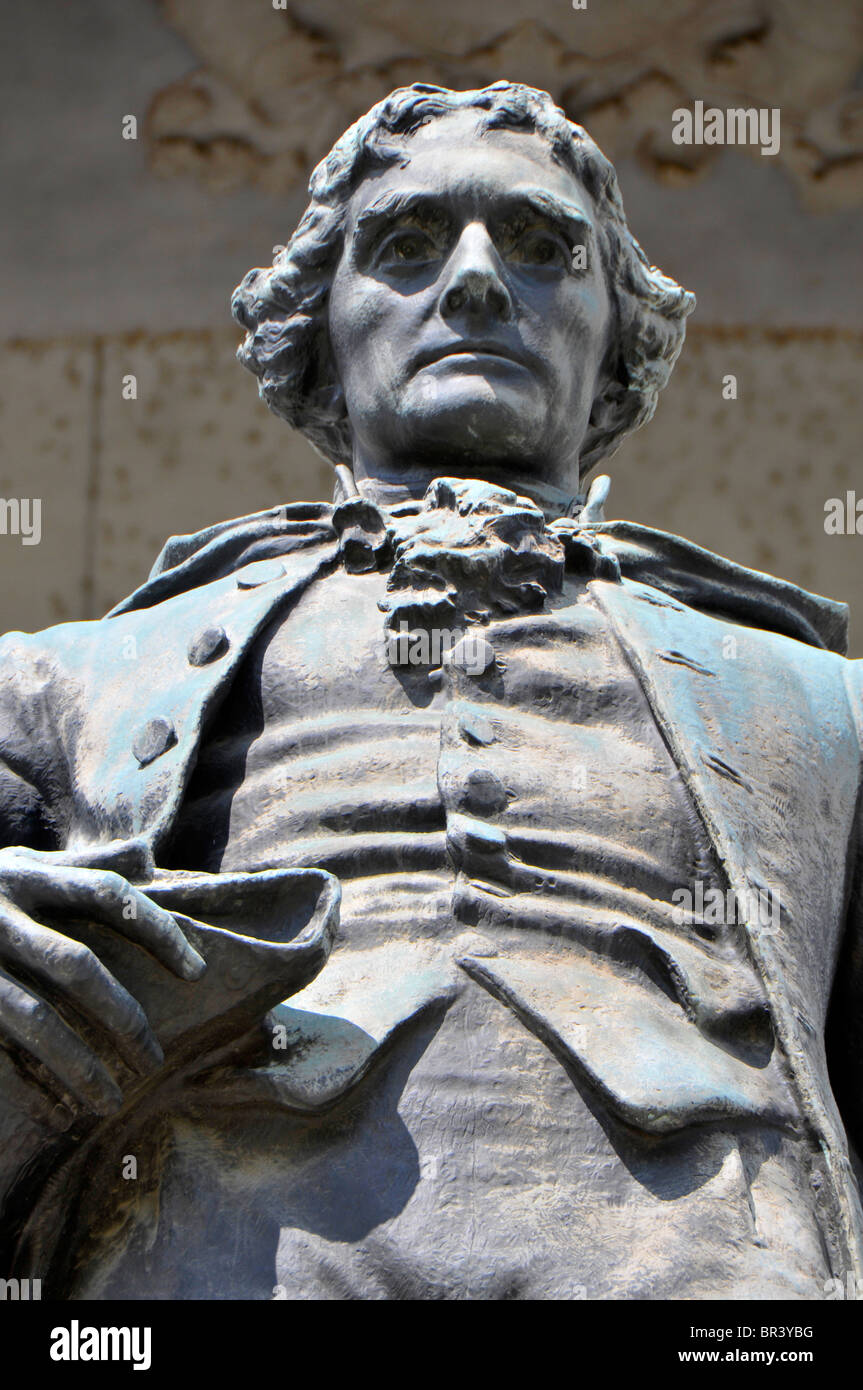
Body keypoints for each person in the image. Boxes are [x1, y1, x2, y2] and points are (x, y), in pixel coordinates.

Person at [0, 82, 861, 1300]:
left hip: (705, 1272)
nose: (470, 282)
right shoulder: (64, 679)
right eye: (405, 243)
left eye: (539, 245)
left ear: (616, 335)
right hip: (222, 1258)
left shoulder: (824, 708)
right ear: (317, 328)